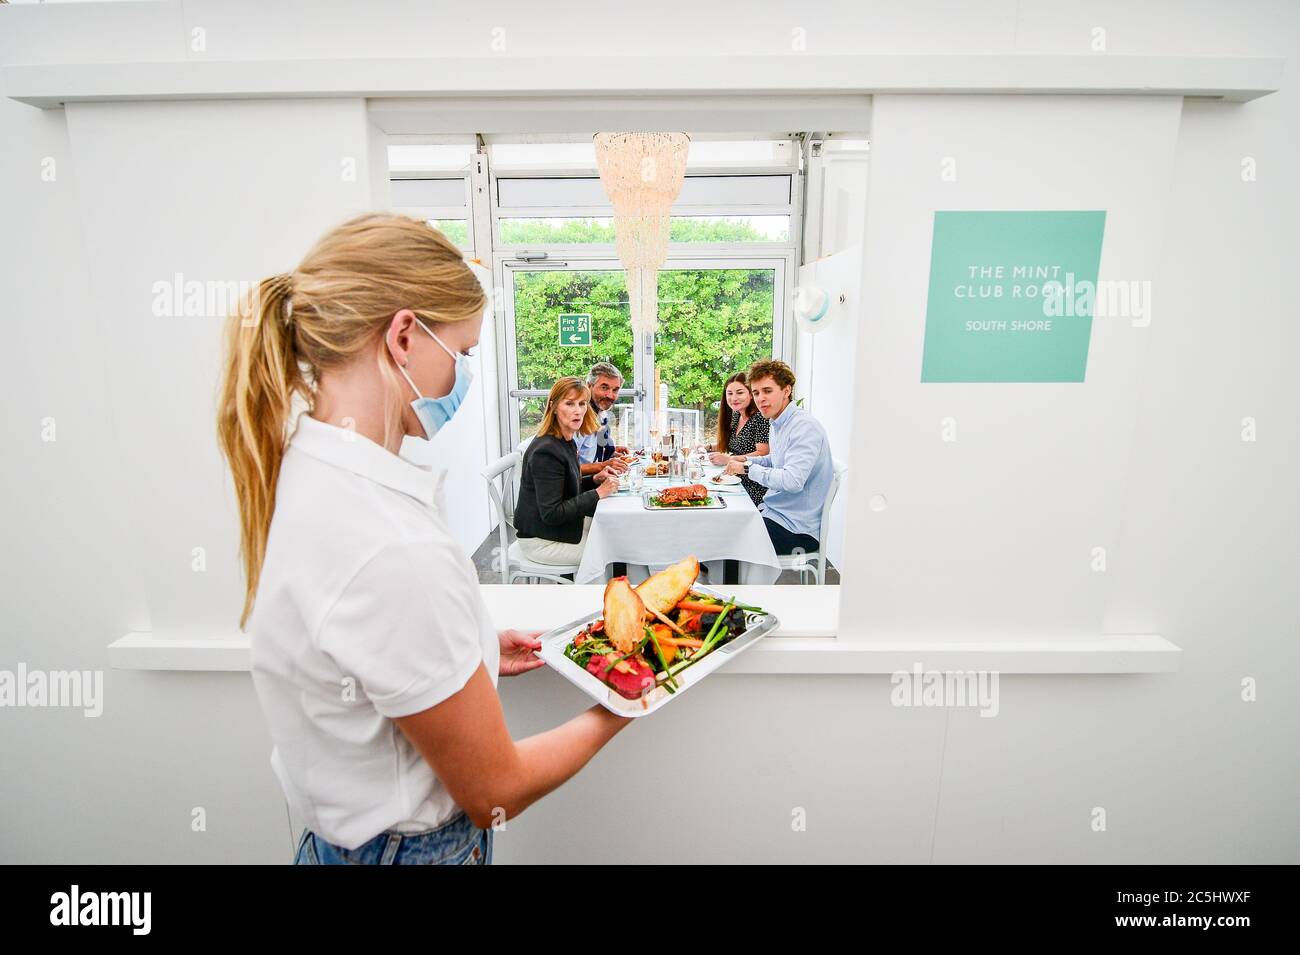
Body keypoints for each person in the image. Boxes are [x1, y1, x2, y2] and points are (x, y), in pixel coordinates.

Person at [216, 214, 631, 865]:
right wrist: (627, 698)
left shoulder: (306, 468)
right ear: (404, 335)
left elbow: (365, 646)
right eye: (462, 354)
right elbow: (497, 789)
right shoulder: (390, 542)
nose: (460, 379)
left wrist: (473, 652)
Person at [722, 359, 834, 556]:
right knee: (723, 524)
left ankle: (740, 585)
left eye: (767, 391)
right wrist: (745, 460)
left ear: (786, 390)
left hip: (796, 529)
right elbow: (775, 460)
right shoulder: (778, 422)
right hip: (775, 513)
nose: (760, 398)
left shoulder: (803, 426)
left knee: (728, 537)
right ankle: (731, 582)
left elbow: (792, 481)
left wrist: (747, 469)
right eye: (756, 393)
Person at [514, 377, 621, 566]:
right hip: (541, 540)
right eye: (570, 403)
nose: (578, 411)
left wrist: (595, 479)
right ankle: (594, 594)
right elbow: (552, 513)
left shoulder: (565, 439)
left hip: (553, 529)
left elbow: (566, 486)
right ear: (554, 406)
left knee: (614, 530)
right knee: (614, 550)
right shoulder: (546, 451)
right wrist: (598, 493)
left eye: (582, 404)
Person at [708, 372, 771, 507]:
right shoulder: (737, 415)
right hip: (733, 479)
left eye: (739, 392)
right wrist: (707, 446)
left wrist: (730, 459)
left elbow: (763, 453)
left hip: (752, 486)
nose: (734, 398)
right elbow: (732, 443)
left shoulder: (760, 418)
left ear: (750, 394)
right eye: (729, 393)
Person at [574, 361, 630, 477]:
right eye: (604, 387)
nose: (610, 395)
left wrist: (612, 453)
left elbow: (590, 453)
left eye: (615, 390)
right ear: (589, 386)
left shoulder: (601, 414)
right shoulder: (577, 418)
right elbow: (566, 469)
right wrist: (603, 465)